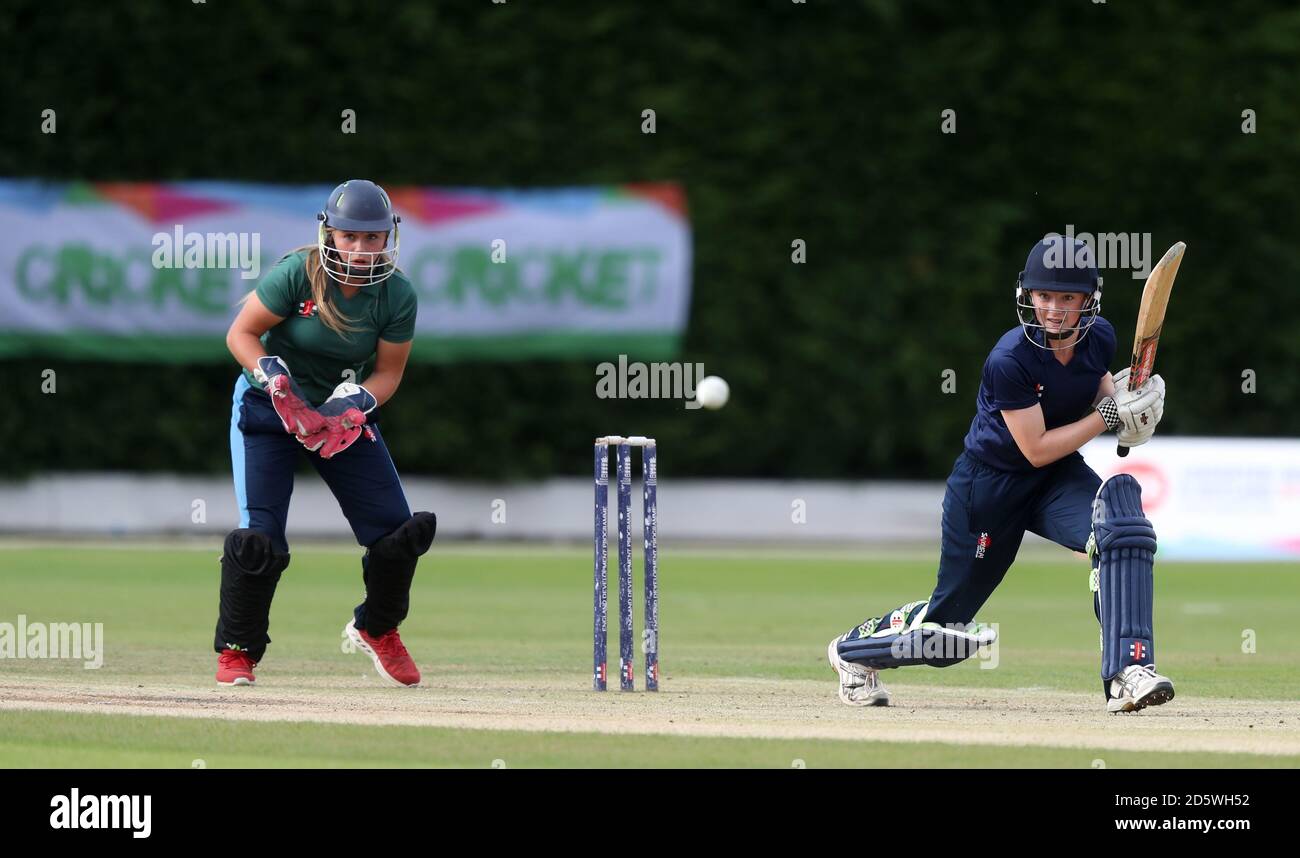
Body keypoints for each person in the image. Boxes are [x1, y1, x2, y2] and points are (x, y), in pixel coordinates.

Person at [828, 235, 1173, 714]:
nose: (1053, 309)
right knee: (945, 635)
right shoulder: (1009, 360)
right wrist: (1110, 417)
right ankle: (852, 652)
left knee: (1122, 529)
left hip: (1055, 479)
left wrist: (1132, 412)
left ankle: (1128, 672)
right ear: (1027, 296)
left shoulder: (1102, 338)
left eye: (1066, 298)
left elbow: (1098, 395)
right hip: (988, 489)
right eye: (1043, 295)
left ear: (1087, 302)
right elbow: (1034, 448)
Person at [215, 179, 436, 688]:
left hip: (337, 415)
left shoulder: (397, 294)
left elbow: (389, 372)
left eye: (372, 238)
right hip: (269, 407)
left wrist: (357, 402)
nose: (360, 249)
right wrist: (273, 378)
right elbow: (240, 334)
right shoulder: (299, 273)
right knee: (260, 537)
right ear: (329, 234)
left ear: (389, 238)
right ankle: (237, 652)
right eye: (349, 237)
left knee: (396, 531)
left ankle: (377, 630)